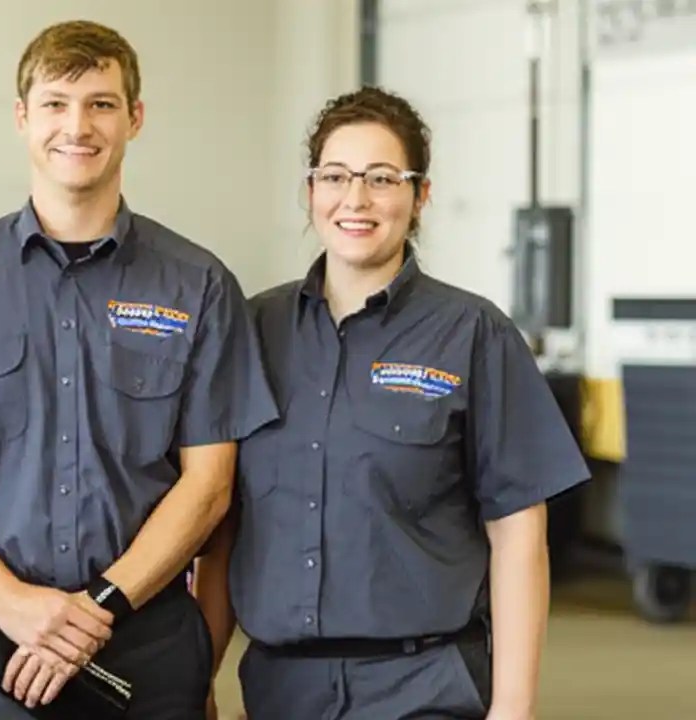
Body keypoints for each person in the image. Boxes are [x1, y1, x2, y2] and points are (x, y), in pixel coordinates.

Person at [0, 19, 276, 720]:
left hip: (143, 643)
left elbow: (210, 485)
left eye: (102, 103)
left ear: (135, 118)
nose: (77, 125)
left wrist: (98, 607)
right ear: (23, 118)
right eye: (56, 102)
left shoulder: (198, 287)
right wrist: (13, 603)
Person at [195, 86, 591, 720]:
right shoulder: (253, 331)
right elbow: (223, 529)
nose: (356, 199)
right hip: (278, 691)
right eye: (336, 176)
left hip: (423, 687)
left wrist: (514, 707)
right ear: (311, 189)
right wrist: (198, 684)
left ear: (420, 195)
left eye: (382, 178)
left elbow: (519, 535)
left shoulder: (473, 334)